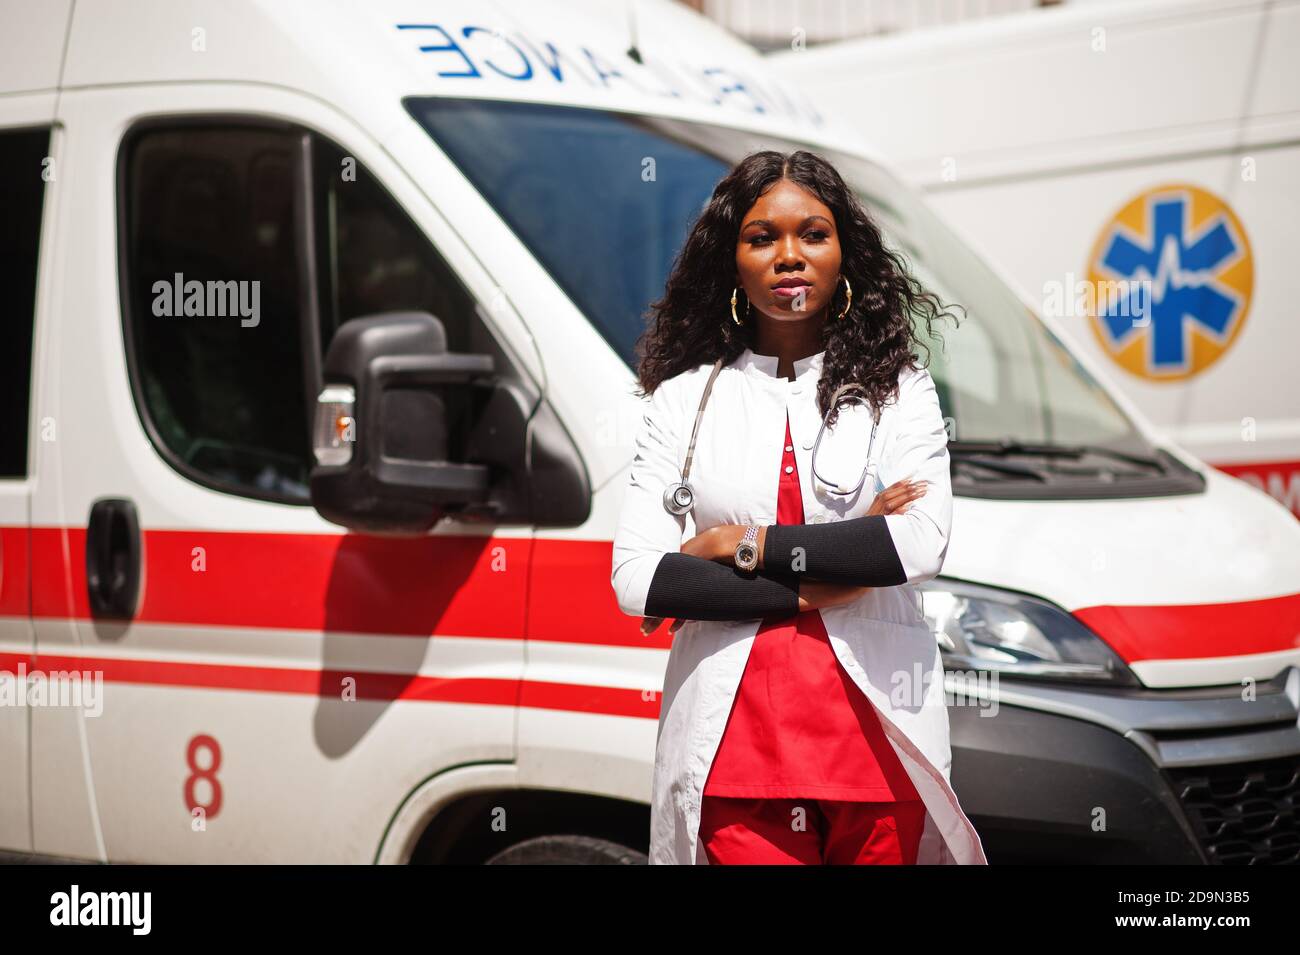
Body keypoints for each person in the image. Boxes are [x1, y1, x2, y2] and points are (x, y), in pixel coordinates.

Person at [610, 149, 987, 865]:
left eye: (812, 234)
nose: (789, 255)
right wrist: (834, 570)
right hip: (735, 751)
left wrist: (733, 543)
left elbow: (917, 545)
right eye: (762, 238)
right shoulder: (684, 401)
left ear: (843, 252)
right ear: (733, 260)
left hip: (873, 748)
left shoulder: (899, 390)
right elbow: (640, 580)